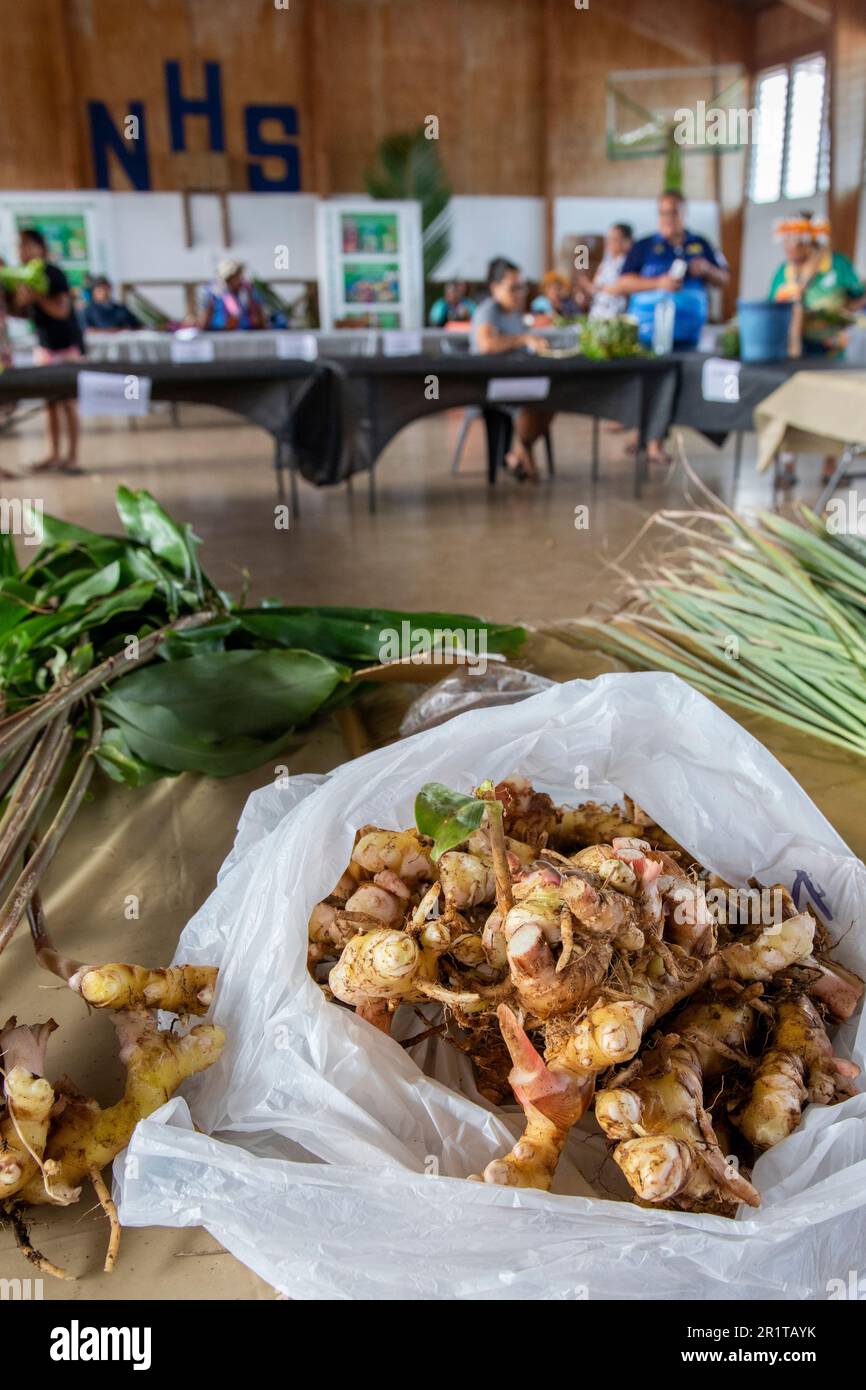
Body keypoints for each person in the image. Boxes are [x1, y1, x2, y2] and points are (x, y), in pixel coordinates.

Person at [608, 192, 729, 461]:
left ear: (684, 213)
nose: (668, 218)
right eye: (663, 212)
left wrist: (707, 270)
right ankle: (640, 431)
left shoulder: (701, 244)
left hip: (686, 331)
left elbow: (724, 279)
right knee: (644, 380)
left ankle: (656, 440)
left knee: (672, 383)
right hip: (648, 331)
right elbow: (621, 284)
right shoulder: (645, 246)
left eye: (673, 212)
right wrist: (658, 283)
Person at [770, 213, 866, 490]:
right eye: (785, 241)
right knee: (791, 404)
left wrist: (846, 318)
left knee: (834, 406)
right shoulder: (783, 271)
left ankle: (831, 464)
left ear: (808, 241)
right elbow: (771, 305)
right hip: (793, 352)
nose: (788, 247)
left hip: (832, 351)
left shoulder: (836, 265)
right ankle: (787, 462)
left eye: (793, 241)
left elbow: (859, 294)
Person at [12, 228, 85, 474]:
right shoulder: (24, 276)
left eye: (25, 245)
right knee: (49, 403)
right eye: (18, 246)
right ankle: (52, 453)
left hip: (66, 346)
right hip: (44, 347)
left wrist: (37, 296)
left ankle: (72, 456)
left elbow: (61, 312)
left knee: (68, 402)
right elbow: (22, 311)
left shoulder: (53, 274)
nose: (21, 250)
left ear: (39, 247)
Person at [471, 257, 548, 482]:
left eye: (521, 287)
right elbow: (487, 345)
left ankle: (519, 451)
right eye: (513, 288)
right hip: (491, 385)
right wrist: (523, 340)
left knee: (551, 397)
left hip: (517, 379)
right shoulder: (489, 311)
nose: (519, 293)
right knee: (535, 401)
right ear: (495, 287)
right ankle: (521, 452)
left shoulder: (515, 313)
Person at [196, 259, 267, 331]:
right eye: (236, 277)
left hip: (247, 334)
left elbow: (260, 318)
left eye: (240, 276)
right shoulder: (213, 293)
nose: (240, 280)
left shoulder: (249, 291)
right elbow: (204, 321)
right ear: (227, 279)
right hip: (219, 334)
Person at [583, 222, 633, 320]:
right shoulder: (605, 264)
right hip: (597, 316)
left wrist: (596, 288)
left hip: (615, 318)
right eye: (609, 238)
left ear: (626, 242)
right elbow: (595, 289)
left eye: (614, 239)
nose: (609, 242)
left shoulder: (629, 264)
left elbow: (623, 288)